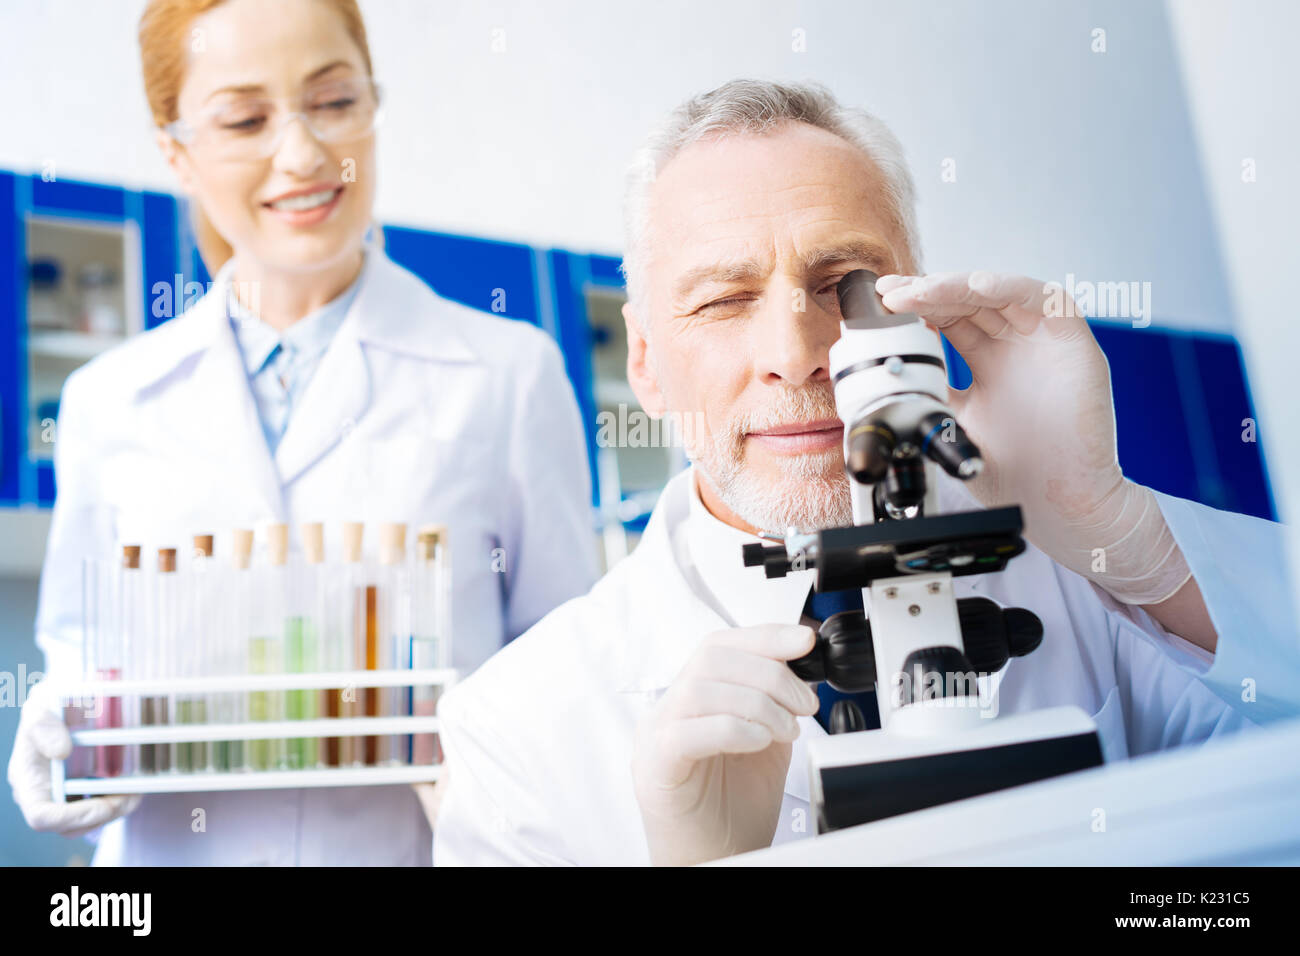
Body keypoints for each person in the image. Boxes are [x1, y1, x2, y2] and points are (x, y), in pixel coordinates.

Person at [431, 79, 1300, 866]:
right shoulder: (514, 737)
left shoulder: (1094, 591)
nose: (796, 353)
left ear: (922, 316)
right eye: (724, 300)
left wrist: (1117, 529)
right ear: (647, 364)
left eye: (845, 284)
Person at [7, 0, 596, 866]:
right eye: (245, 119)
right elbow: (80, 652)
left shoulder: (507, 374)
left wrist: (492, 764)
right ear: (177, 152)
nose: (303, 154)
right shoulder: (108, 401)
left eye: (333, 102)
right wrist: (64, 726)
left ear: (372, 104)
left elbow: (562, 672)